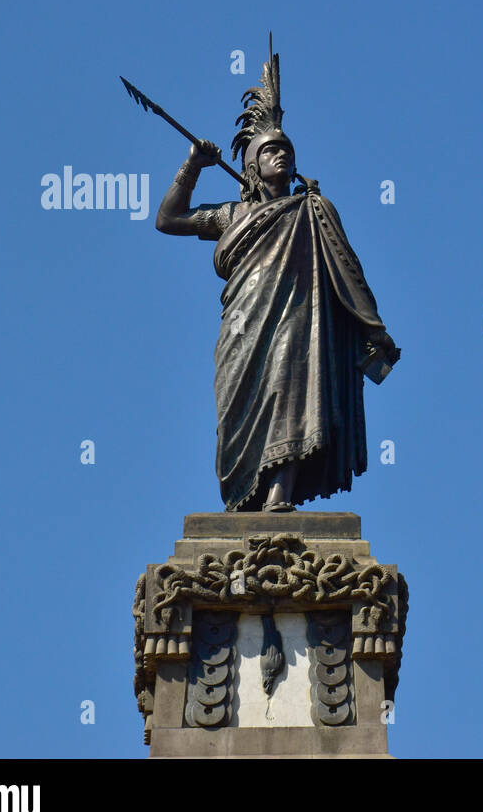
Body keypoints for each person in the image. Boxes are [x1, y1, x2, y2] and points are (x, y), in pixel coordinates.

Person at [154, 46, 398, 512]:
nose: (281, 155)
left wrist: (372, 327)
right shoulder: (231, 215)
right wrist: (192, 166)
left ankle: (280, 495)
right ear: (252, 165)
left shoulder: (312, 209)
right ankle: (245, 499)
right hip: (242, 327)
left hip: (295, 317)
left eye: (286, 149)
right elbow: (169, 218)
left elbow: (347, 269)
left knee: (291, 387)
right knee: (236, 411)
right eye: (270, 150)